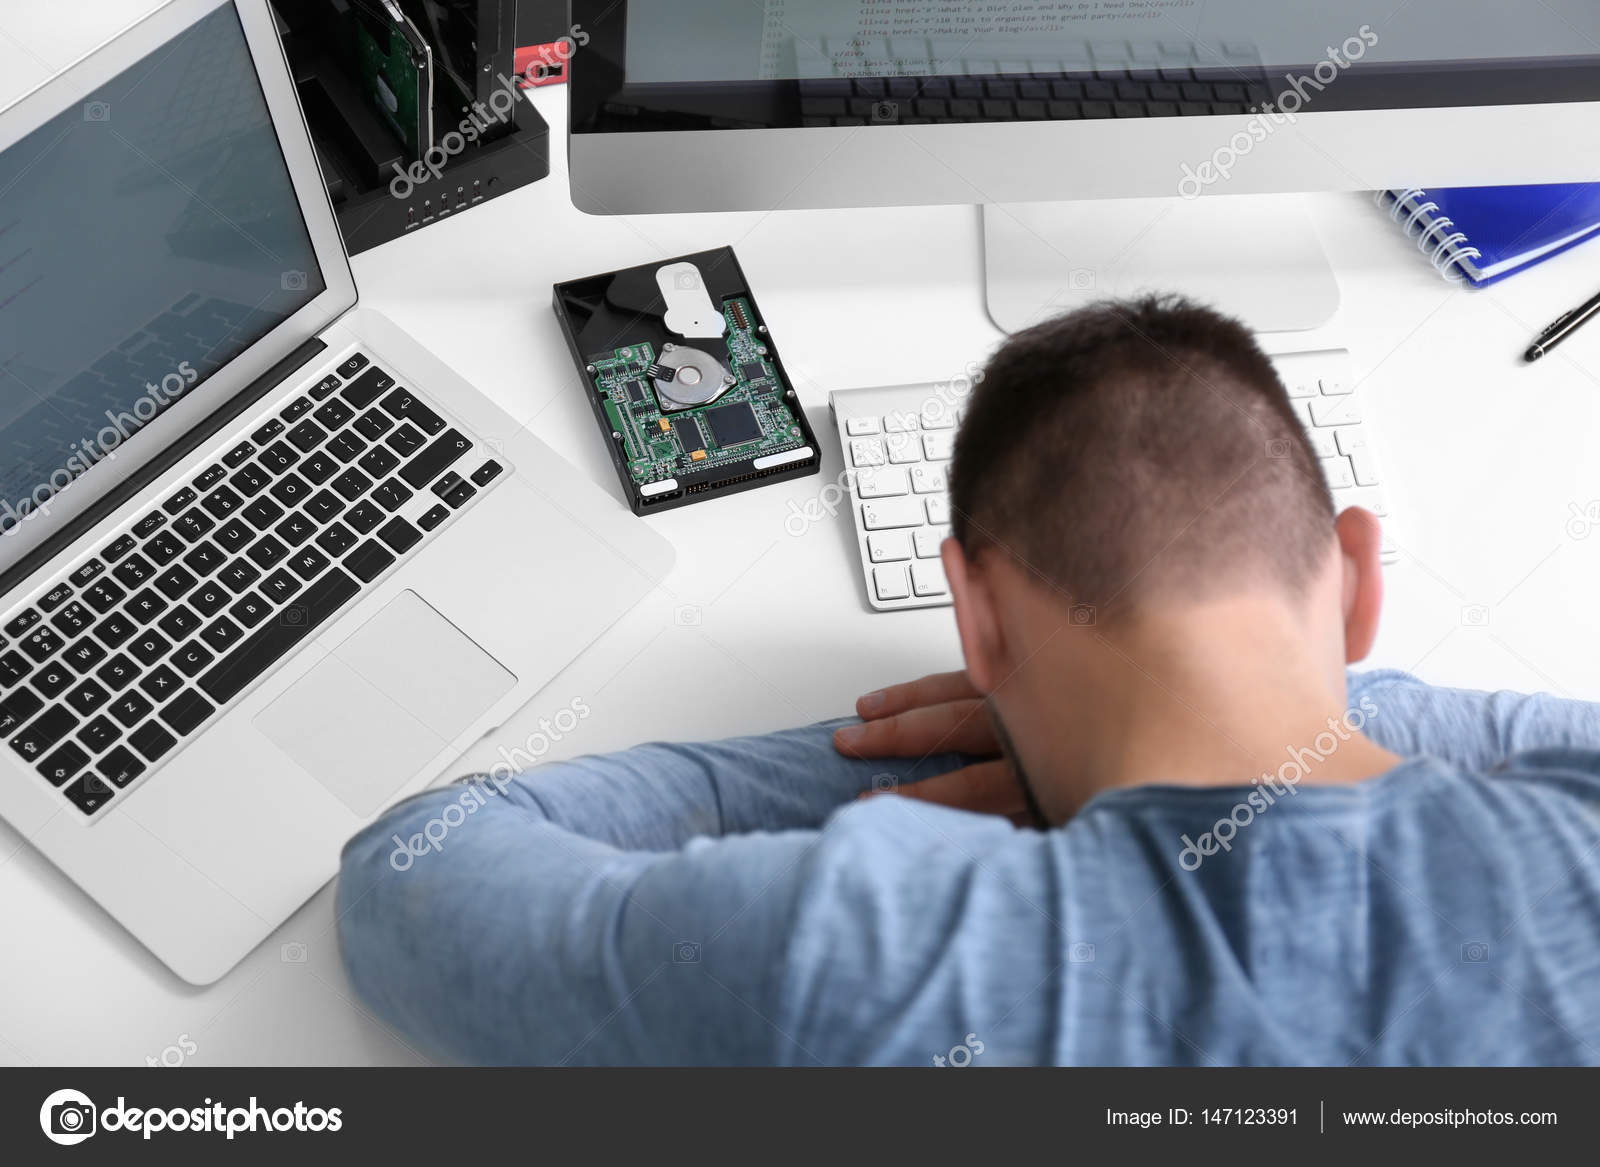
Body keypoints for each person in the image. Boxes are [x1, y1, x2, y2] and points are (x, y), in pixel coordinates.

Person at [336, 297, 1600, 1065]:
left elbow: (409, 877)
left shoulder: (872, 956)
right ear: (1362, 580)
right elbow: (1439, 731)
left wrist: (1009, 746)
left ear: (975, 617)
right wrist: (1304, 716)